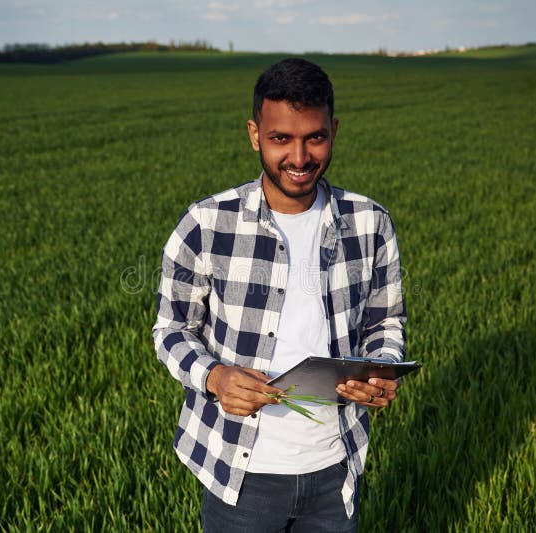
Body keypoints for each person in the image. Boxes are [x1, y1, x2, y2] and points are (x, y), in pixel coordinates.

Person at [153, 58, 407, 532]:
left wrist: (380, 370)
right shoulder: (207, 224)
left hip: (335, 468)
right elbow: (171, 330)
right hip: (240, 472)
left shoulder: (370, 223)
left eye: (315, 136)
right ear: (254, 134)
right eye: (280, 139)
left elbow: (385, 323)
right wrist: (215, 377)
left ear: (333, 129)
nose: (299, 156)